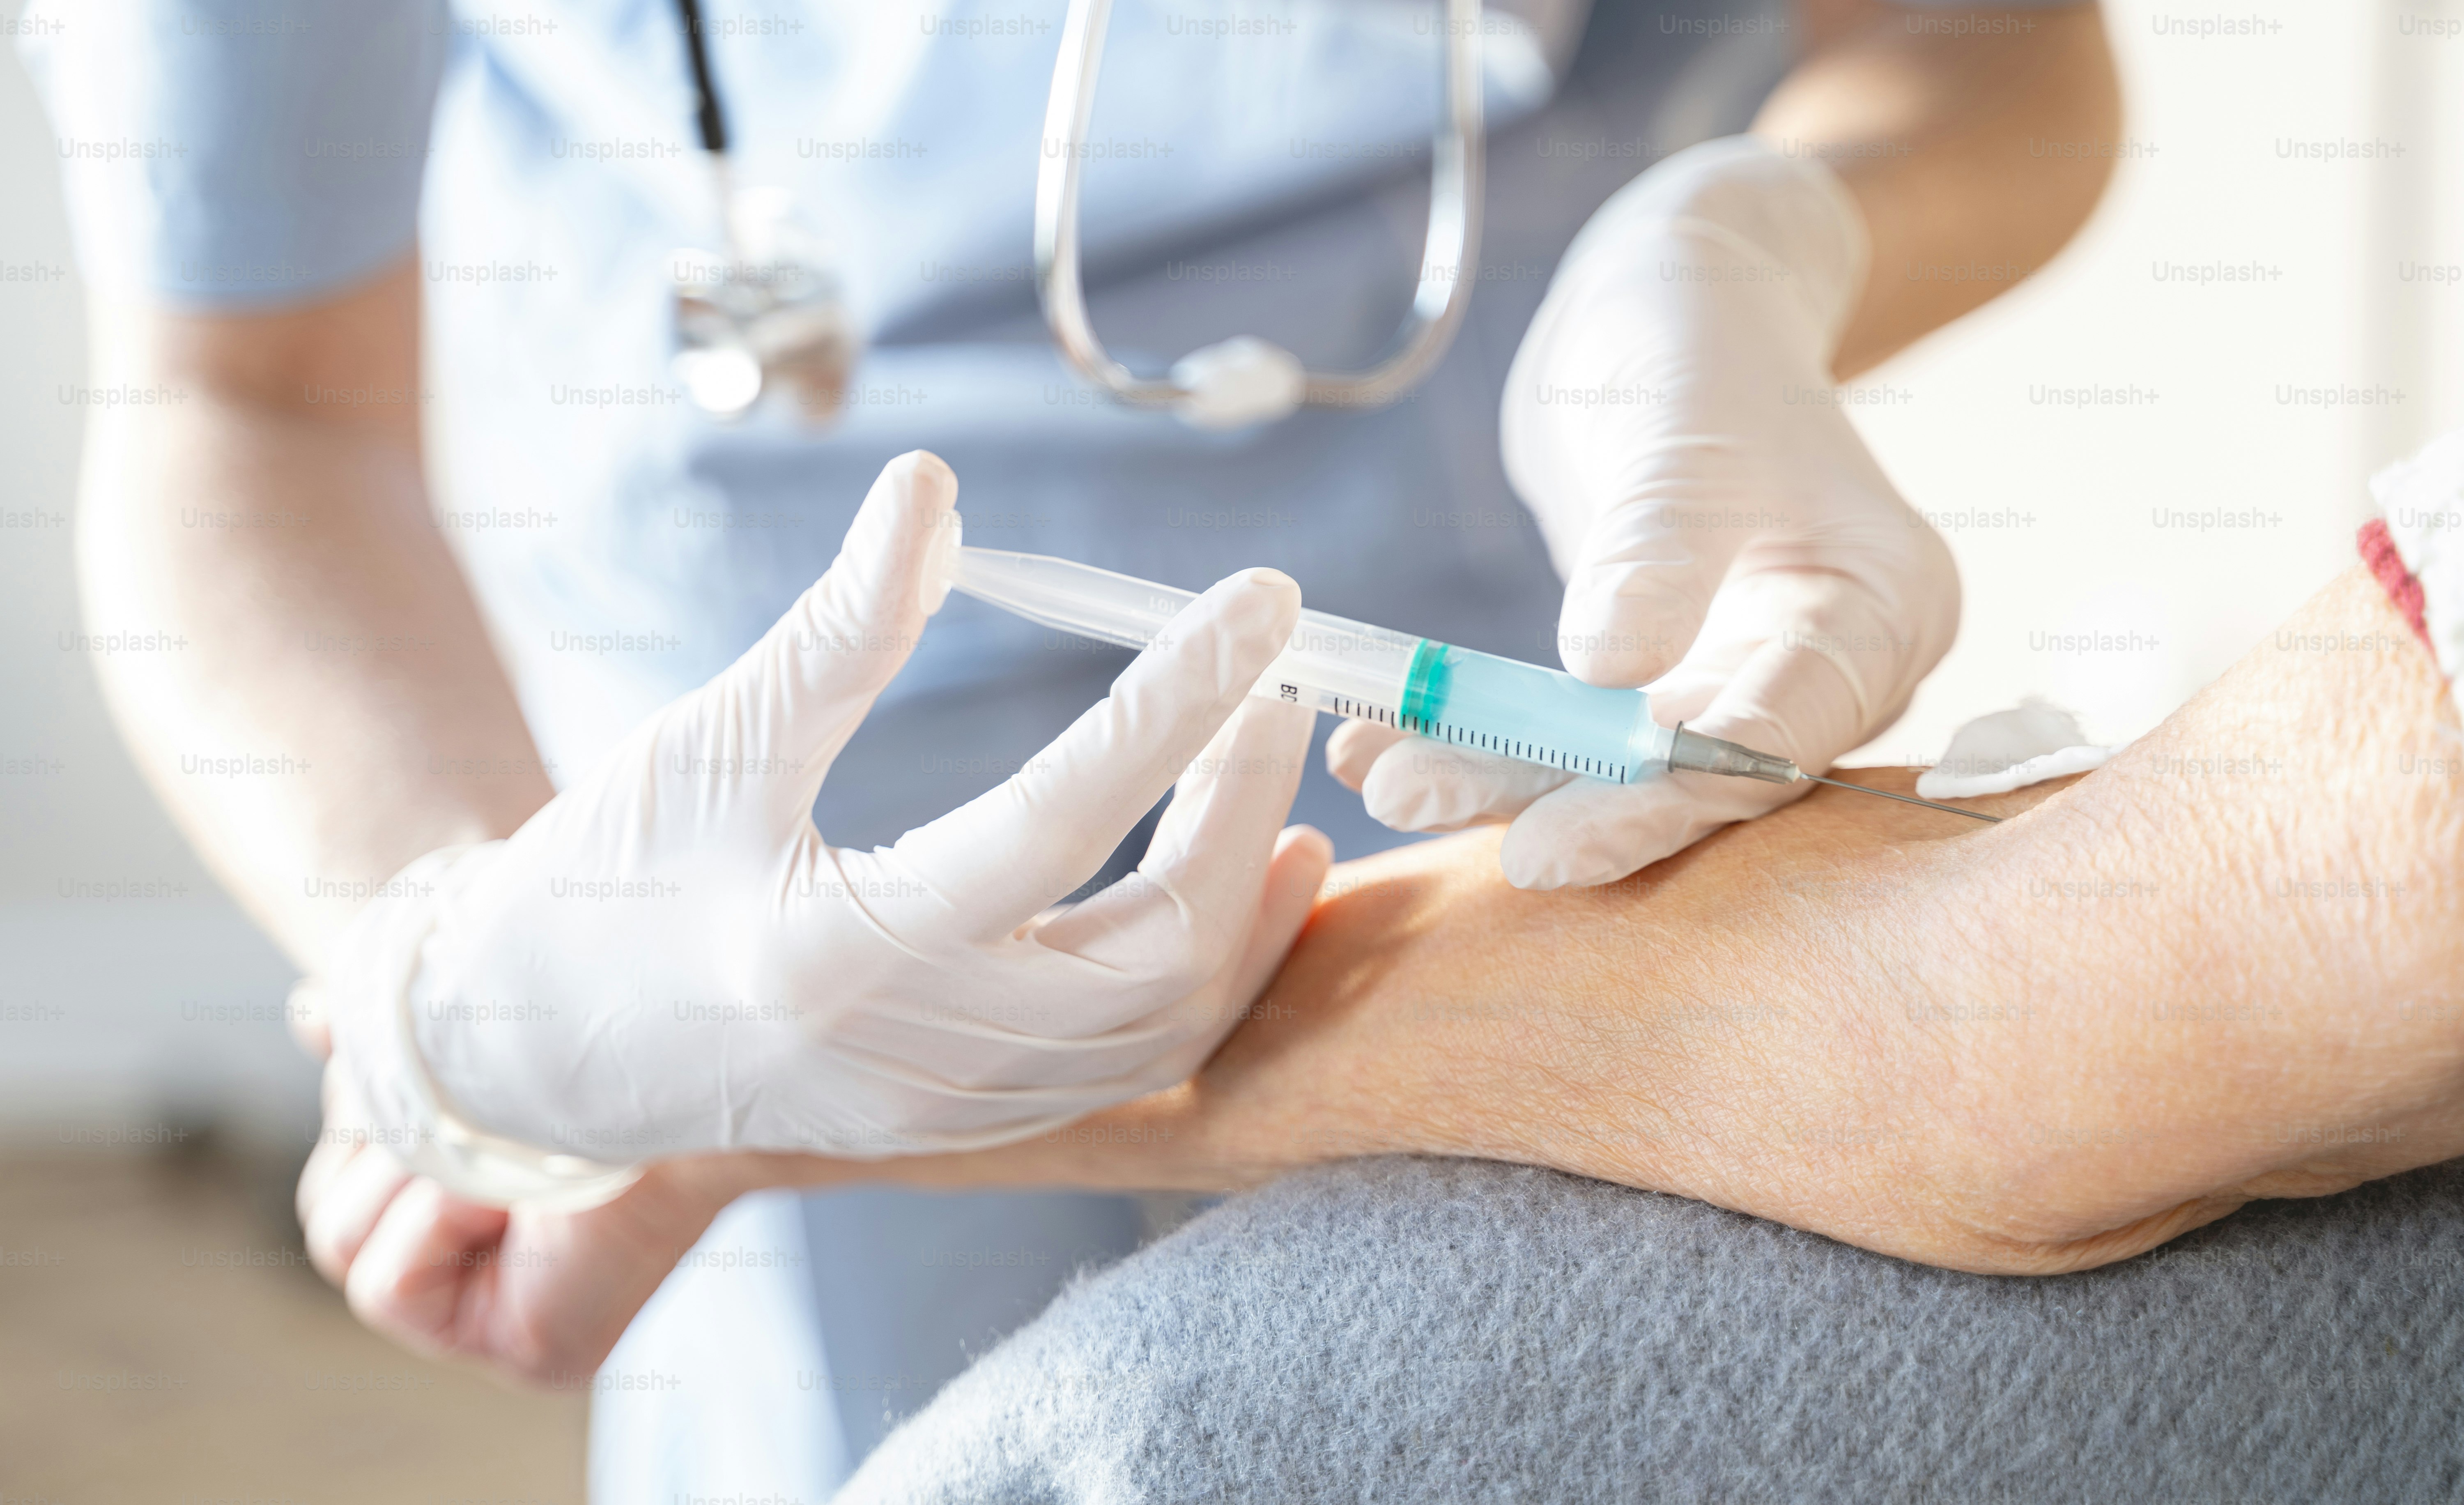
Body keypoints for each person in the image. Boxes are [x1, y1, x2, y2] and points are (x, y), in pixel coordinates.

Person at [27, 0, 2132, 1491]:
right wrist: (473, 948)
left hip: (1508, 663)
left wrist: (1758, 246)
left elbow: (1984, 23)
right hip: (727, 746)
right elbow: (244, 410)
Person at [305, 515, 2464, 1496]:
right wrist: (456, 978)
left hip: (1447, 570)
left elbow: (1991, 1029)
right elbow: (242, 412)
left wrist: (759, 1110)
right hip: (638, 611)